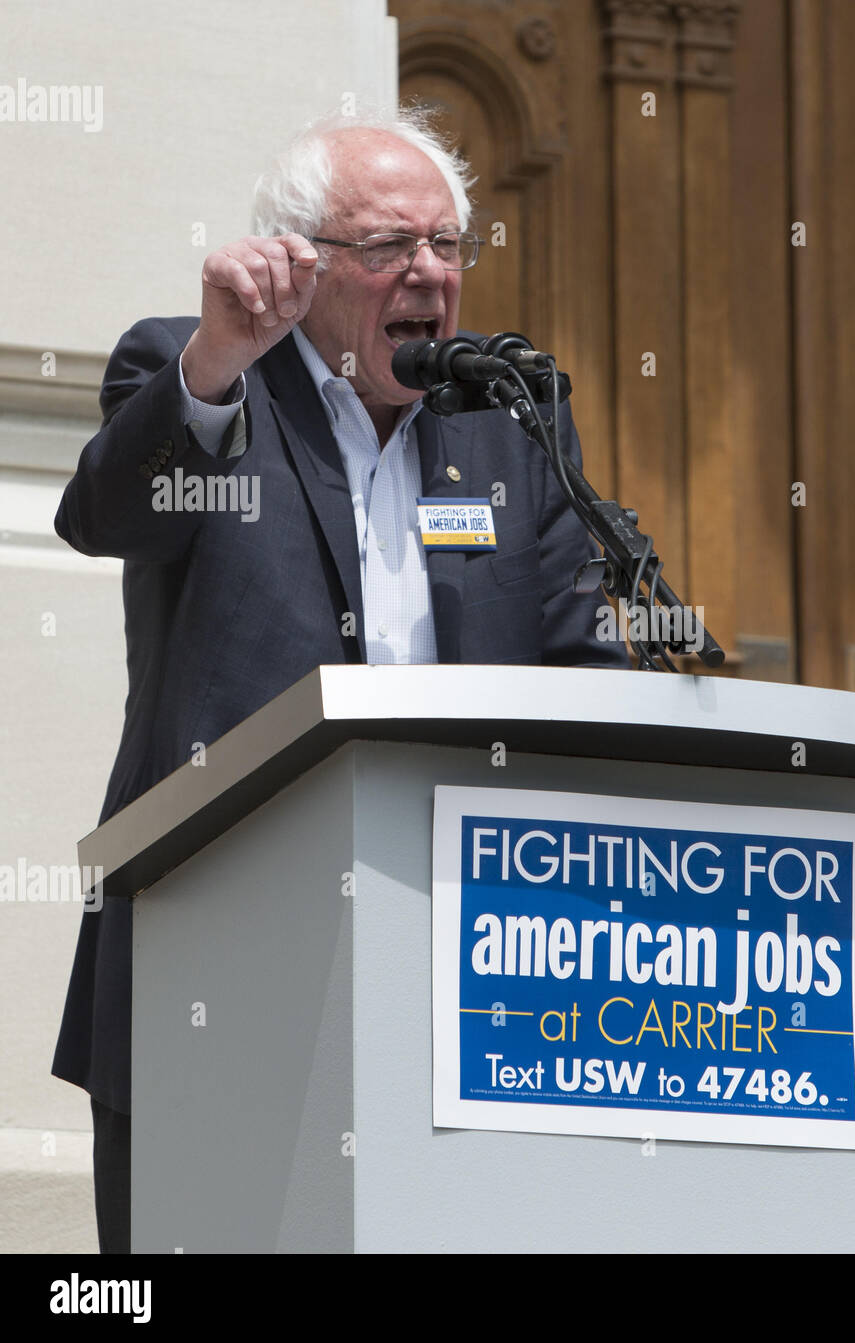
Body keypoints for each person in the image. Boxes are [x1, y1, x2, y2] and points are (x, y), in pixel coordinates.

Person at [51, 108, 625, 1252]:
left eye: (447, 246)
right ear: (298, 264)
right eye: (386, 248)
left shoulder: (507, 422)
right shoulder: (201, 373)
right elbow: (102, 515)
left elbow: (583, 669)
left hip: (465, 976)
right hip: (219, 954)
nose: (427, 273)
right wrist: (218, 358)